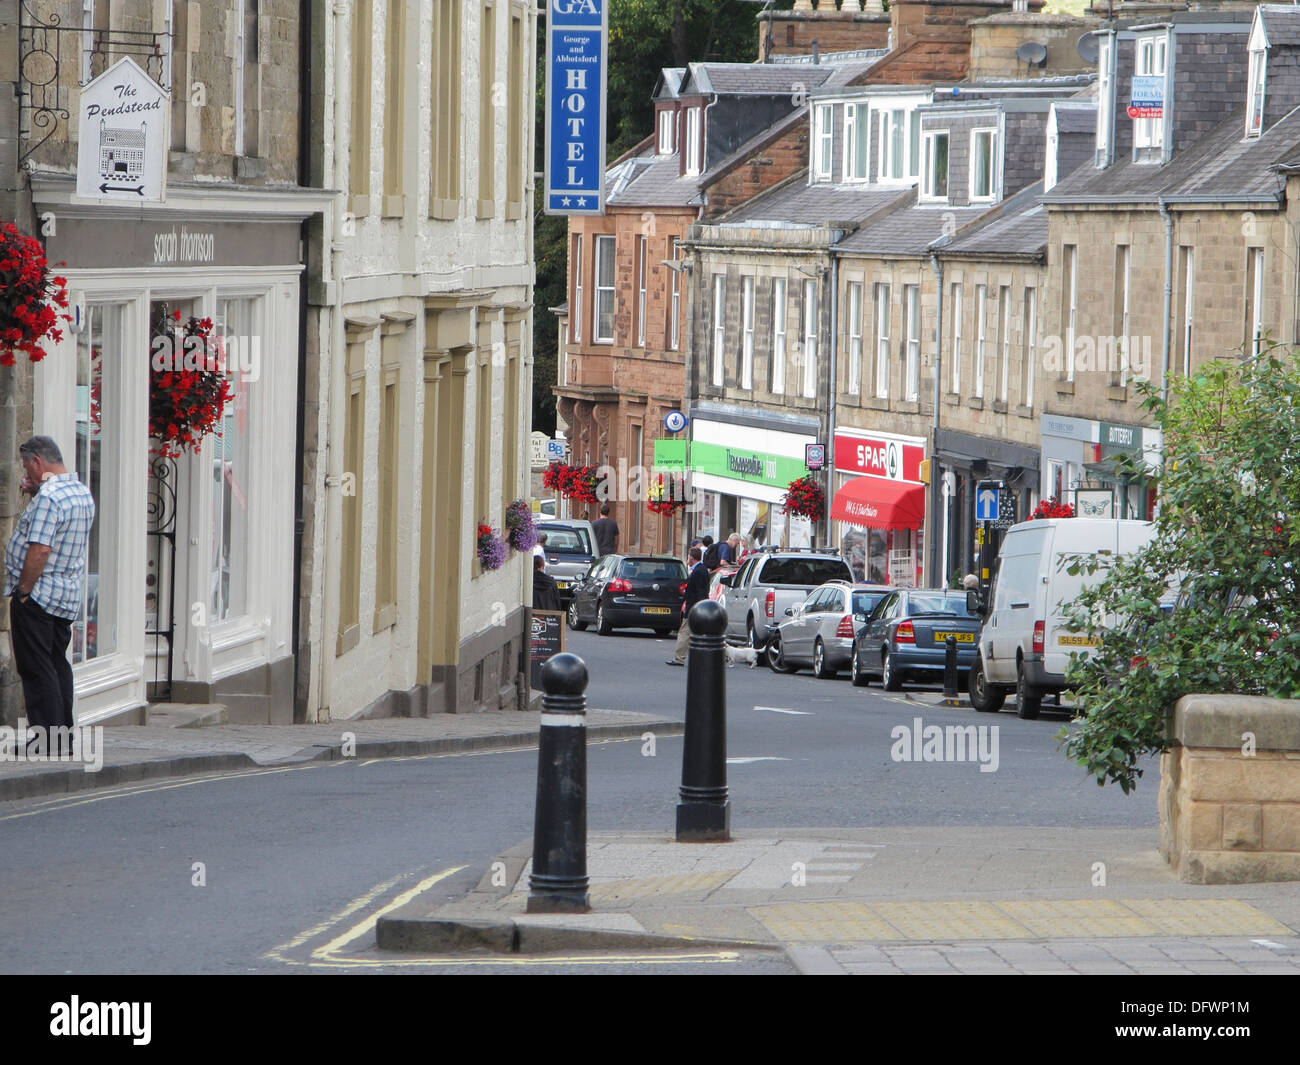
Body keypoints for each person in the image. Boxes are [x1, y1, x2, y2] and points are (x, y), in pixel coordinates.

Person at [4, 436, 95, 753]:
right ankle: (63, 736)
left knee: (36, 666)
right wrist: (34, 491)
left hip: (40, 595)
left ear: (37, 461)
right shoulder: (81, 492)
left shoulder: (49, 499)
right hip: (67, 596)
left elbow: (40, 550)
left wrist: (25, 591)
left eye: (27, 465)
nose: (26, 472)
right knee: (57, 664)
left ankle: (48, 741)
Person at [667, 545, 710, 666]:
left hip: (694, 608)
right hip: (697, 607)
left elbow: (700, 592)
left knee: (684, 632)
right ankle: (703, 659)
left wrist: (696, 607)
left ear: (692, 557)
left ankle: (679, 658)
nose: (687, 559)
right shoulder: (701, 570)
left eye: (688, 556)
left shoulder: (698, 572)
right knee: (698, 634)